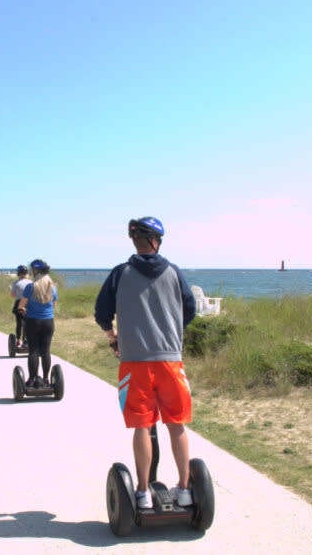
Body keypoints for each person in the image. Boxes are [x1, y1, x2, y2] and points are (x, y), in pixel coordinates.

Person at [94, 216, 197, 510]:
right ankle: (186, 488)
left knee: (142, 426)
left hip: (134, 363)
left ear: (136, 241)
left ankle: (141, 493)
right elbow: (188, 310)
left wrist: (112, 335)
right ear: (156, 241)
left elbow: (102, 312)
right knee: (176, 424)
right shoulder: (174, 272)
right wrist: (171, 332)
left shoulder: (120, 273)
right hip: (170, 363)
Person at [17, 259, 57, 387]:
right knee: (45, 351)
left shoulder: (30, 287)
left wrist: (23, 309)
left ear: (35, 271)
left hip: (33, 322)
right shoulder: (53, 287)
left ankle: (32, 379)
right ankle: (45, 379)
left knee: (33, 351)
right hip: (48, 322)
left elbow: (21, 305)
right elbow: (53, 305)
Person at [9, 265, 31, 347]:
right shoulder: (30, 282)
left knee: (19, 323)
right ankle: (26, 341)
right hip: (29, 303)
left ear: (18, 273)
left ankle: (18, 340)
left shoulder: (16, 283)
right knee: (27, 322)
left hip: (19, 303)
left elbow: (12, 295)